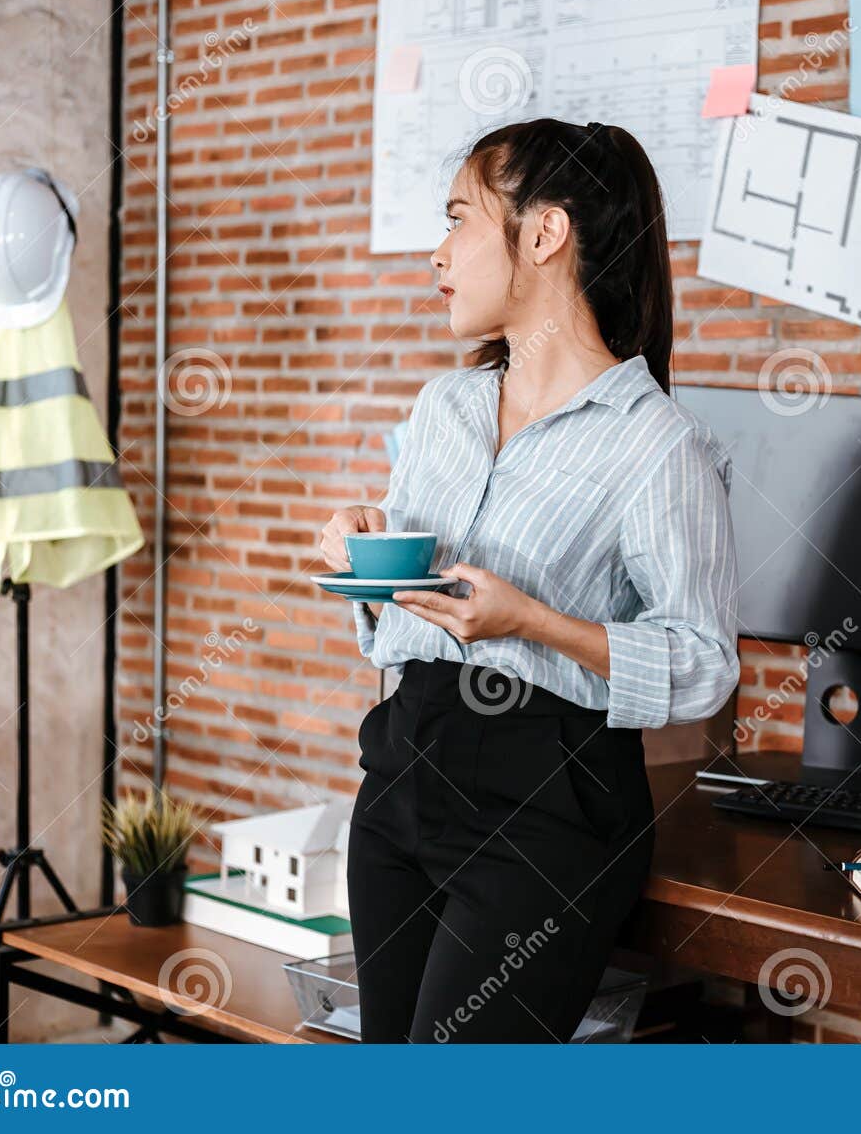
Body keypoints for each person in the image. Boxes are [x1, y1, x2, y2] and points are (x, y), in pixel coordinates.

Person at [317, 118, 739, 1042]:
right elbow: (410, 619)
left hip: (544, 812)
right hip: (400, 776)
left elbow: (706, 665)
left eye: (459, 220)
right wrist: (372, 549)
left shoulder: (657, 444)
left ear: (543, 235)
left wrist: (534, 623)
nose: (439, 252)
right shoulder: (444, 407)